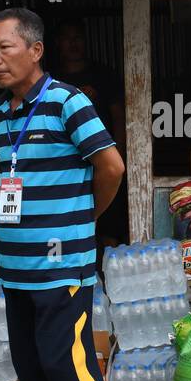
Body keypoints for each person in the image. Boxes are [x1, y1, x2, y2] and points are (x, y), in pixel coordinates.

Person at [0, 6, 135, 381]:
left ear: (35, 50)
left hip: (62, 264)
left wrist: (86, 216)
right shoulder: (0, 111)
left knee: (67, 365)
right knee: (31, 366)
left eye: (5, 47)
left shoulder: (69, 102)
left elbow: (111, 166)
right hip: (16, 265)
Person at [54, 19, 128, 247]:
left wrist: (120, 153)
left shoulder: (103, 75)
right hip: (65, 167)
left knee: (108, 224)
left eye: (78, 37)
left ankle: (107, 273)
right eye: (67, 38)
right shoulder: (51, 80)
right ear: (57, 43)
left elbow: (118, 116)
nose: (73, 43)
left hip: (102, 160)